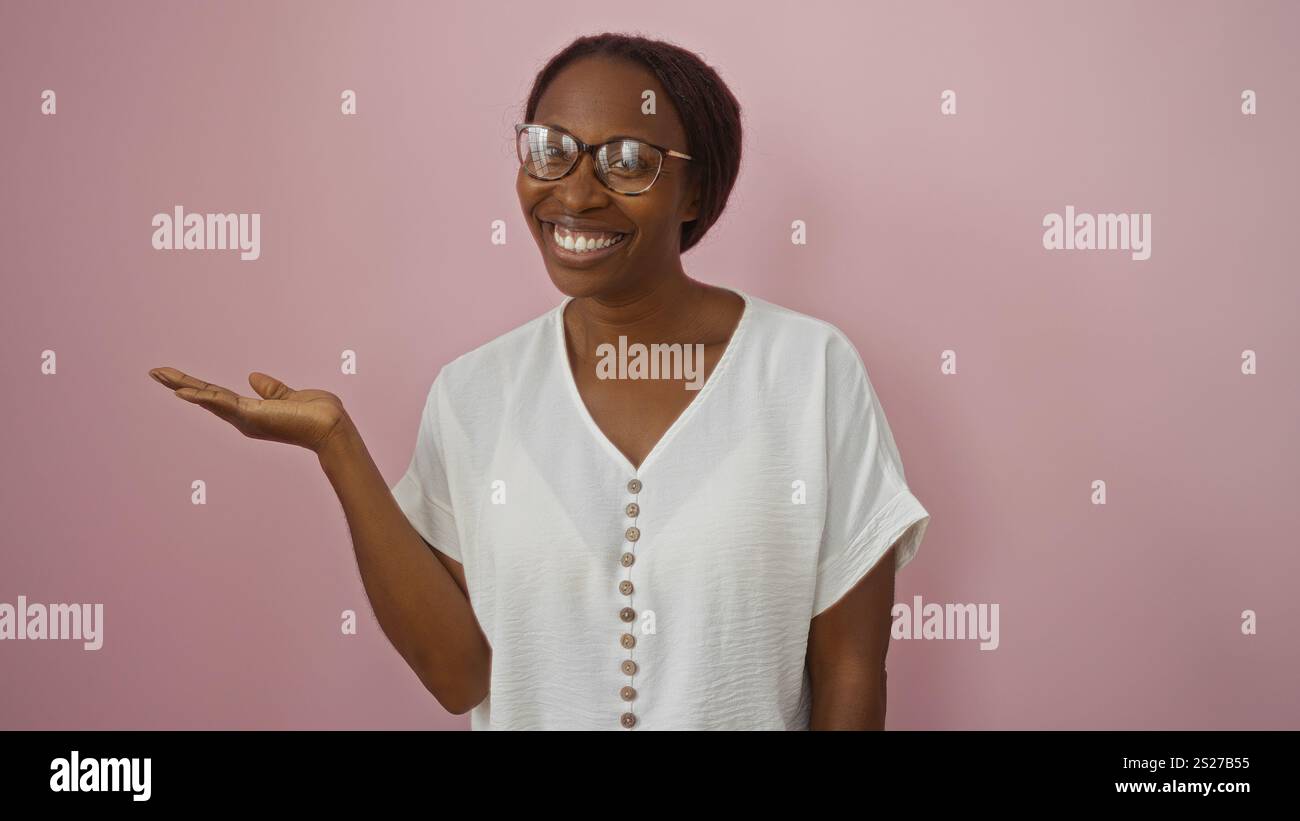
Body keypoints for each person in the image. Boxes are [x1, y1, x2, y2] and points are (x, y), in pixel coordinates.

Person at [148, 32, 930, 730]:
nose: (577, 192)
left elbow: (850, 671)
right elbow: (460, 678)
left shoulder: (808, 371)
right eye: (551, 148)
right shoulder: (474, 394)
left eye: (628, 161)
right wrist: (338, 448)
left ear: (695, 190)